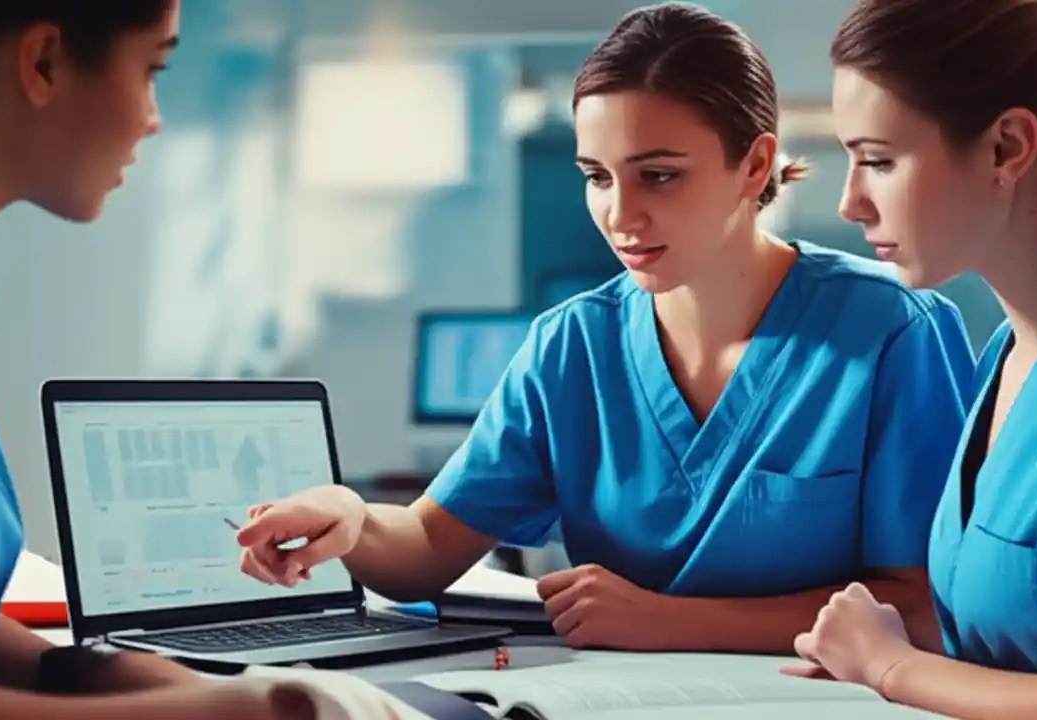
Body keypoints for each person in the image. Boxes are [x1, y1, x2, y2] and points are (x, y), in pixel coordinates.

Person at [237, 2, 975, 654]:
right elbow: (429, 543)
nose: (620, 215)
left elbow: (925, 608)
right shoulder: (571, 348)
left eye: (659, 175)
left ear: (755, 166)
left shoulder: (891, 332)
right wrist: (350, 517)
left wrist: (673, 622)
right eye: (597, 176)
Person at [0, 2, 327, 718]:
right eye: (152, 68)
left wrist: (119, 674)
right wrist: (230, 714)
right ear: (44, 62)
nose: (154, 118)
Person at [790, 1, 1037, 717]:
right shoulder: (1005, 354)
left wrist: (889, 665)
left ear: (1007, 147)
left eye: (878, 161)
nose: (851, 203)